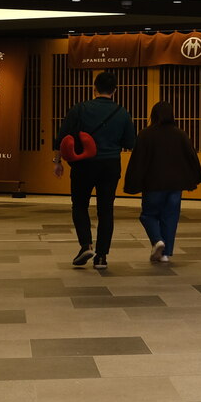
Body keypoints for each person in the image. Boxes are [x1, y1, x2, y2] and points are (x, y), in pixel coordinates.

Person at [52, 70, 135, 269]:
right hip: (110, 165)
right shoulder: (122, 112)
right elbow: (130, 142)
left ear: (94, 88)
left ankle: (86, 244)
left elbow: (62, 138)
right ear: (115, 90)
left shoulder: (79, 109)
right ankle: (102, 257)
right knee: (106, 210)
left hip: (83, 164)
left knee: (79, 205)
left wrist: (57, 161)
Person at [123, 100, 201, 265]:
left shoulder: (146, 134)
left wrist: (132, 182)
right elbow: (191, 158)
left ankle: (157, 240)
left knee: (148, 215)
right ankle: (165, 253)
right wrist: (194, 178)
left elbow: (138, 160)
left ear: (153, 115)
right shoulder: (180, 134)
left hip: (153, 185)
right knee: (170, 217)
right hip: (175, 186)